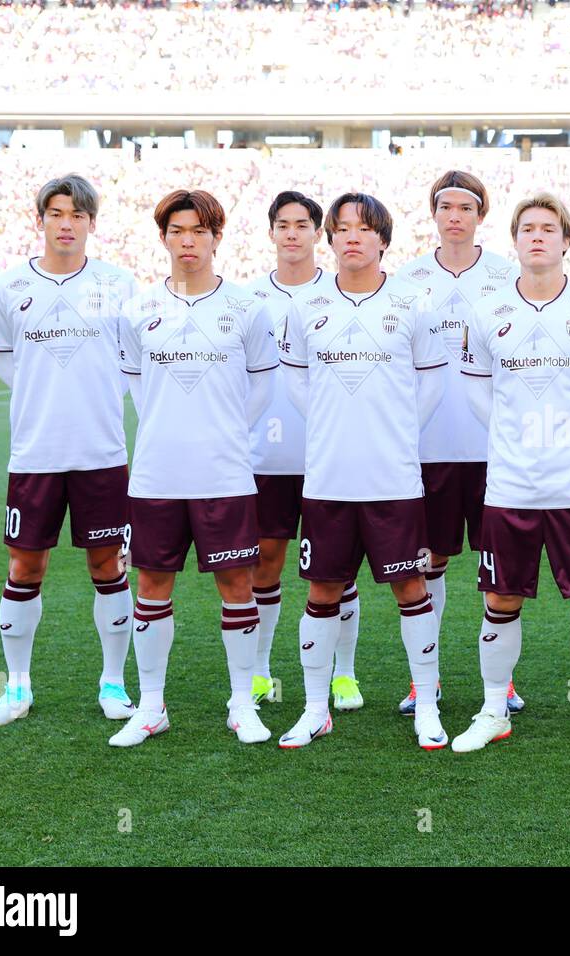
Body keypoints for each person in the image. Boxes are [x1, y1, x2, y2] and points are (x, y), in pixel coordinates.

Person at [453, 192, 570, 753]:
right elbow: (478, 392)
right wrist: (521, 437)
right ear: (515, 240)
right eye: (527, 228)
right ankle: (493, 709)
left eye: (548, 228)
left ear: (566, 240)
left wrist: (569, 441)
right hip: (510, 484)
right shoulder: (487, 312)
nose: (537, 236)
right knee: (500, 599)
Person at [110, 189, 280, 747]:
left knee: (237, 582)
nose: (189, 241)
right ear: (164, 238)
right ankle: (152, 705)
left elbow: (260, 386)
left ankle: (241, 704)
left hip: (225, 472)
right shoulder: (136, 310)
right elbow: (137, 386)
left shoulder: (247, 308)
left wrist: (222, 429)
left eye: (200, 231)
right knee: (153, 584)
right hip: (157, 473)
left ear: (216, 237)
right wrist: (172, 425)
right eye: (178, 231)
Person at [279, 193, 449, 750]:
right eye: (342, 228)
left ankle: (427, 704)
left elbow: (431, 384)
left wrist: (394, 431)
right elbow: (298, 384)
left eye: (363, 228)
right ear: (330, 239)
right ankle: (313, 708)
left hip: (393, 477)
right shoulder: (305, 307)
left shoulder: (413, 302)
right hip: (328, 477)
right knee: (323, 589)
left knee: (410, 585)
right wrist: (337, 426)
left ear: (383, 239)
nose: (352, 236)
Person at [0, 174, 139, 727]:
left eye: (77, 214)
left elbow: (132, 360)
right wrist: (45, 398)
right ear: (41, 219)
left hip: (101, 453)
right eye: (56, 213)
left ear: (92, 223)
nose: (66, 223)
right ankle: (17, 685)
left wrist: (93, 398)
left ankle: (114, 683)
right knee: (25, 565)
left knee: (109, 564)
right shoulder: (6, 288)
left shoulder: (121, 285)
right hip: (35, 454)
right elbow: (7, 363)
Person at [395, 170, 523, 718]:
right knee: (431, 559)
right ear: (434, 214)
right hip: (429, 446)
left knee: (501, 566)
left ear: (479, 215)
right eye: (445, 206)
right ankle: (427, 678)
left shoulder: (507, 275)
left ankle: (504, 681)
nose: (455, 215)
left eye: (465, 207)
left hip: (496, 448)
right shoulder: (405, 279)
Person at [245, 190, 365, 712]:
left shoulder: (345, 293)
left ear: (320, 233)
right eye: (283, 225)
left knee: (337, 571)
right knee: (265, 561)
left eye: (302, 225)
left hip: (333, 456)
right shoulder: (246, 299)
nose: (292, 233)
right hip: (266, 460)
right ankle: (259, 672)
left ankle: (345, 675)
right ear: (271, 233)